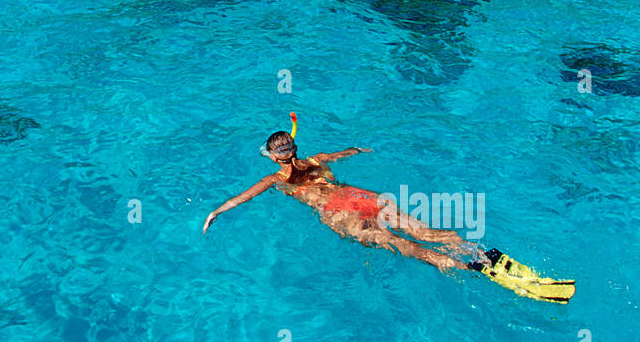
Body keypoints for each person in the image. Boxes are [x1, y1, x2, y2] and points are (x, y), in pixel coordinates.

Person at [202, 116, 575, 303]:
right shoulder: (316, 158)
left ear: (273, 156)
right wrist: (361, 150)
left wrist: (215, 212)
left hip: (338, 213)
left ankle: (466, 268)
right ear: (294, 148)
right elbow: (346, 151)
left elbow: (243, 197)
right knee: (424, 229)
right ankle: (481, 254)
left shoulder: (277, 181)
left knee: (406, 247)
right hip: (358, 196)